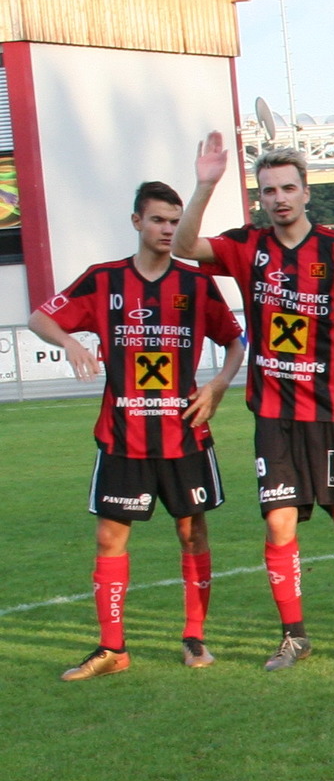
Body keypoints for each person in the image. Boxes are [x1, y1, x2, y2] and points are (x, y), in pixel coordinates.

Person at [175, 137, 334, 668]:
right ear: (260, 198)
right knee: (278, 523)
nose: (280, 198)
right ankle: (294, 635)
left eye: (289, 187)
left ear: (307, 191)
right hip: (273, 410)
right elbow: (183, 245)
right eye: (269, 191)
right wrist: (204, 184)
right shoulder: (247, 246)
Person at [31, 181, 244, 678]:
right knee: (109, 539)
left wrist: (217, 386)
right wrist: (71, 343)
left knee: (192, 534)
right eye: (158, 220)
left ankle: (195, 638)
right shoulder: (103, 279)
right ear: (137, 222)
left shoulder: (195, 283)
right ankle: (112, 650)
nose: (168, 229)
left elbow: (235, 342)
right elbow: (41, 317)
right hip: (122, 437)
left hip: (184, 434)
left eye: (174, 221)